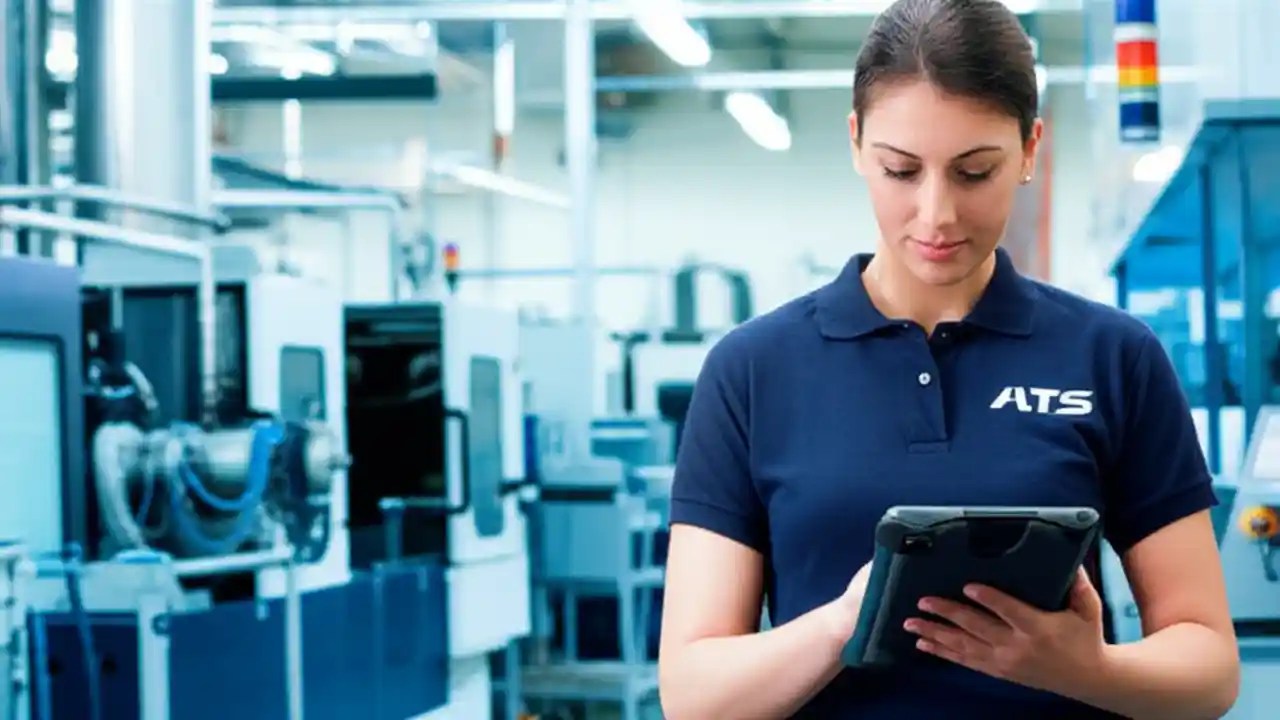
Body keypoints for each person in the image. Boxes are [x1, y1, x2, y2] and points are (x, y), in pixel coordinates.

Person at [656, 0, 1241, 718]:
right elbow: (692, 696)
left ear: (1029, 150)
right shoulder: (752, 370)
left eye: (974, 172)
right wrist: (849, 619)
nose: (936, 214)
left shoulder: (1113, 358)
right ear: (855, 143)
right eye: (901, 170)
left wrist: (1080, 668)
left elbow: (1210, 668)